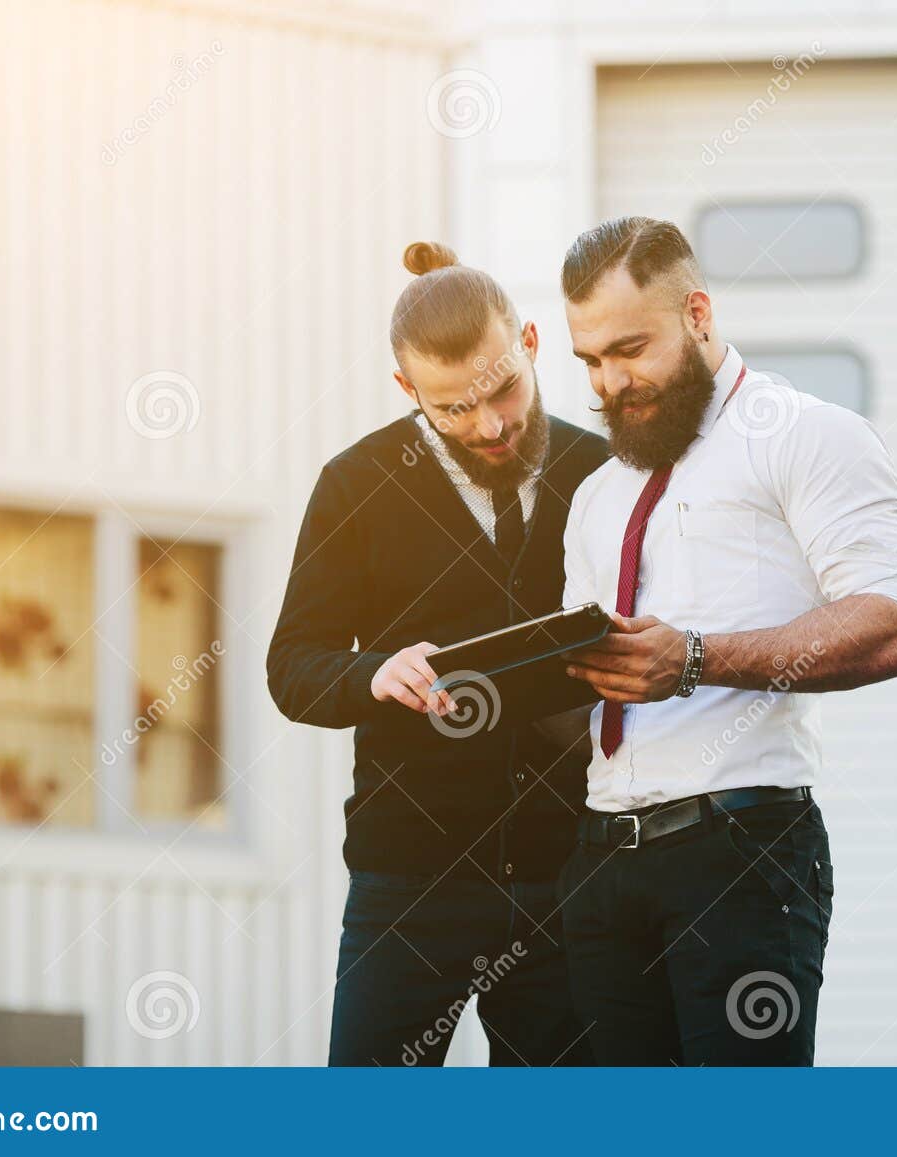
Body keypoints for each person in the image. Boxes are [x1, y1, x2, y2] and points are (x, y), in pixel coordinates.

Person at [555, 216, 897, 1065]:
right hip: (602, 865)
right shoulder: (596, 494)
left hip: (741, 855)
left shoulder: (807, 434)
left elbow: (893, 623)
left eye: (630, 349)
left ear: (697, 313)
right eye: (591, 361)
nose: (611, 382)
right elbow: (591, 686)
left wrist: (693, 659)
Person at [267, 241, 606, 1066]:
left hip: (570, 880)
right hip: (409, 887)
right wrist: (371, 673)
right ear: (407, 390)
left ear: (531, 343)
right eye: (453, 409)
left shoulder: (602, 474)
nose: (490, 425)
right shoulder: (355, 485)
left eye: (504, 390)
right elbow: (293, 665)